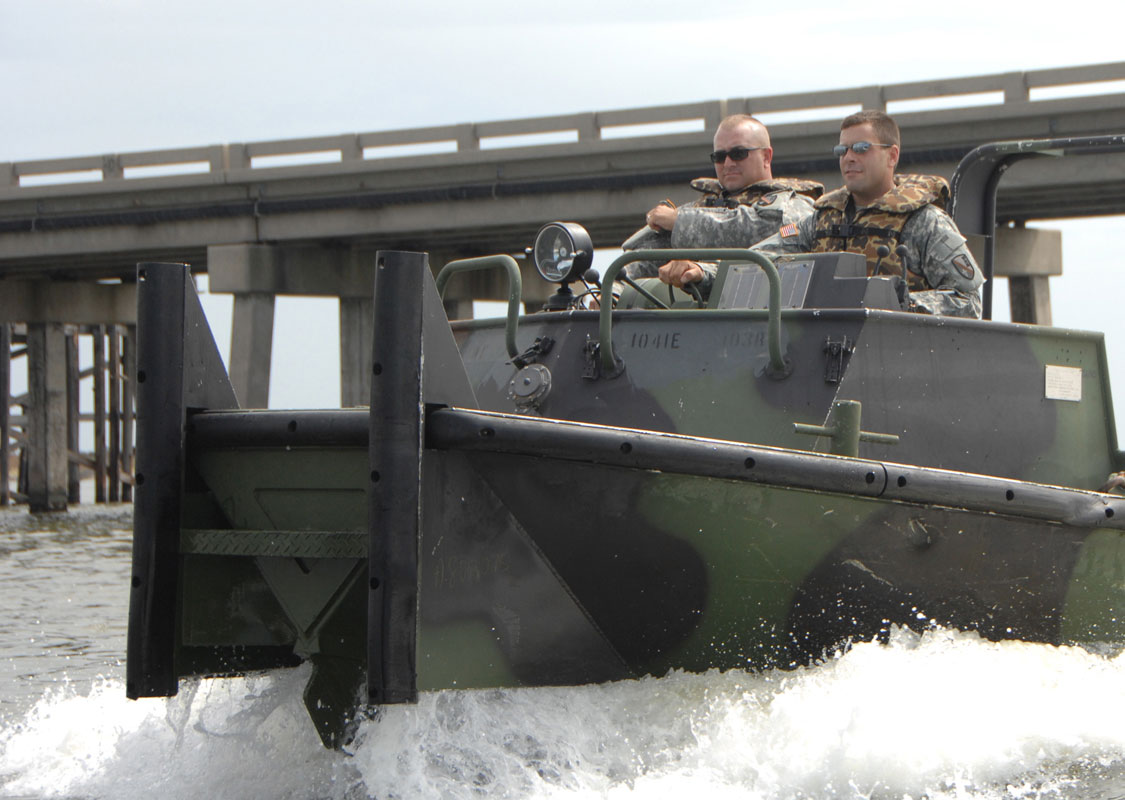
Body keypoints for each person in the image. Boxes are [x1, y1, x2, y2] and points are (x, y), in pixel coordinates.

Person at [752, 110, 983, 318]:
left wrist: (900, 303)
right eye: (842, 150)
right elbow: (757, 259)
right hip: (824, 352)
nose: (849, 157)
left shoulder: (924, 223)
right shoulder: (818, 222)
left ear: (892, 156)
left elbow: (969, 301)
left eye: (861, 148)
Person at [622, 114, 822, 285]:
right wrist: (614, 290)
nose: (727, 163)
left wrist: (679, 222)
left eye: (738, 153)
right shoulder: (699, 208)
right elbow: (643, 258)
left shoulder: (794, 204)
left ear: (766, 157)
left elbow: (755, 231)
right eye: (719, 156)